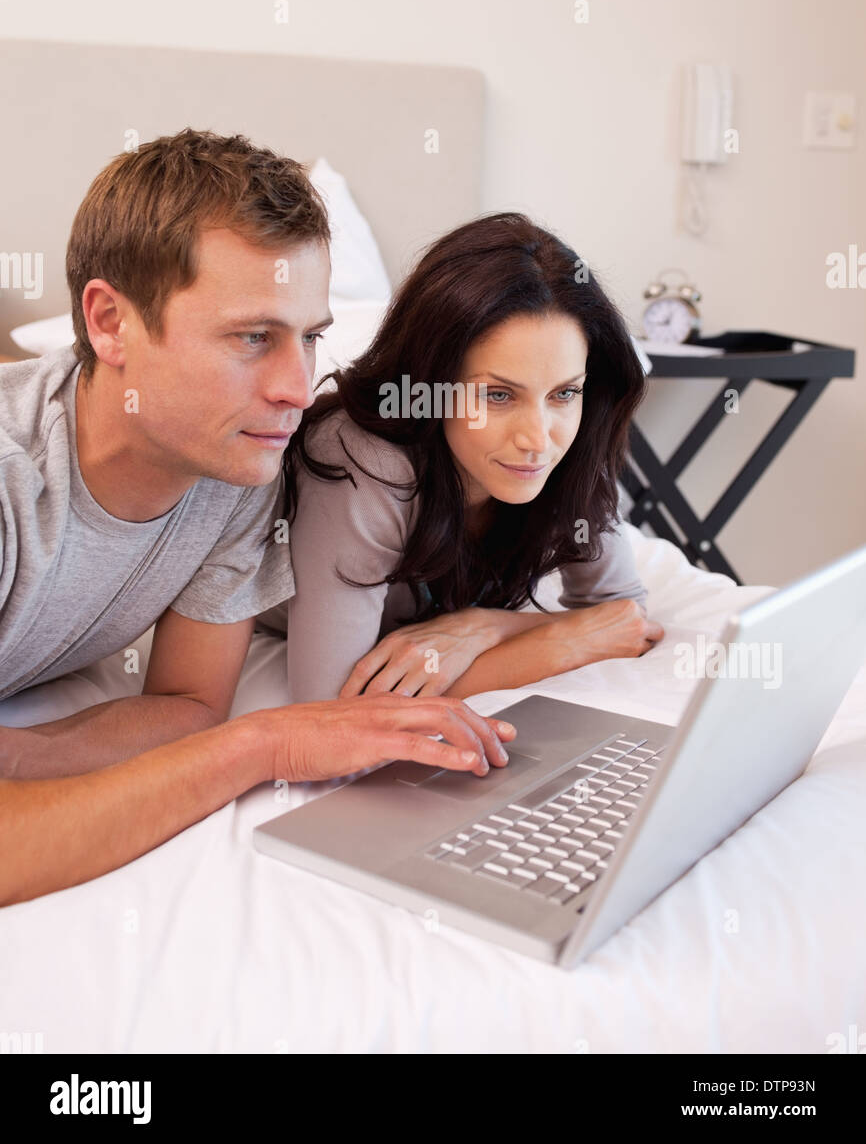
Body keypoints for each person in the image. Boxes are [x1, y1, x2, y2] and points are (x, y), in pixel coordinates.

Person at [0, 130, 515, 907]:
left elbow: (186, 708)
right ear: (110, 323)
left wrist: (18, 757)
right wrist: (263, 743)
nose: (298, 391)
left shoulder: (236, 471)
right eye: (251, 338)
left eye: (309, 339)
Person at [259, 213, 664, 701]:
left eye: (564, 393)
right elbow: (333, 704)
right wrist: (558, 641)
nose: (537, 439)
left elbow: (623, 618)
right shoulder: (361, 461)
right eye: (497, 395)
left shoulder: (571, 441)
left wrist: (483, 629)